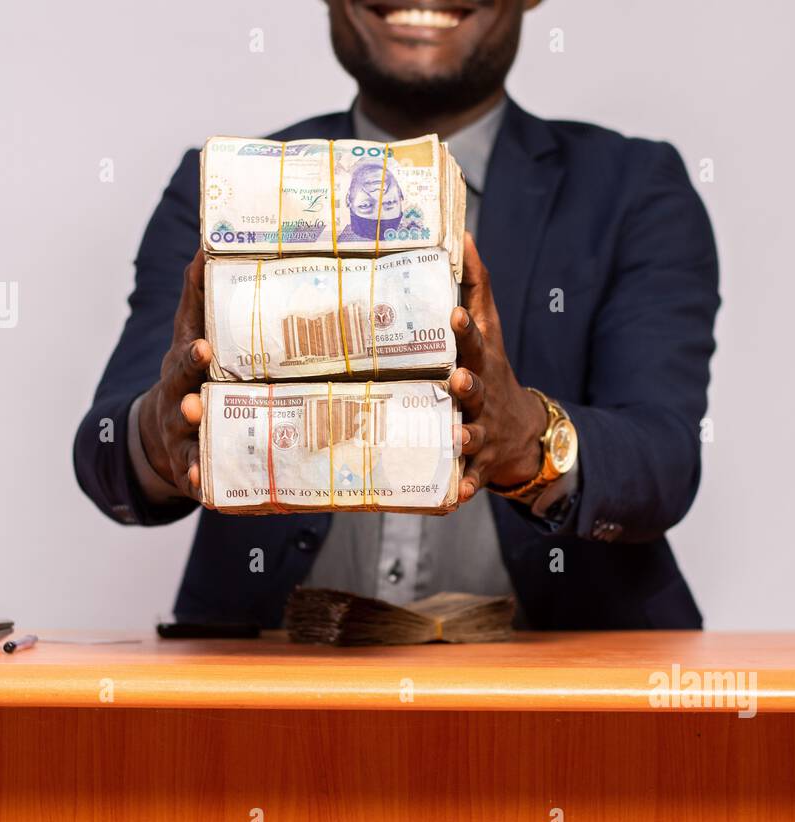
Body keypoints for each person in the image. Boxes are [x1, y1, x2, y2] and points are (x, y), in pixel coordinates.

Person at [73, 0, 720, 630]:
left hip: (564, 705)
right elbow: (103, 450)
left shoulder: (634, 188)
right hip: (272, 704)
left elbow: (663, 462)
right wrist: (159, 437)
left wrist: (527, 439)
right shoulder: (222, 190)